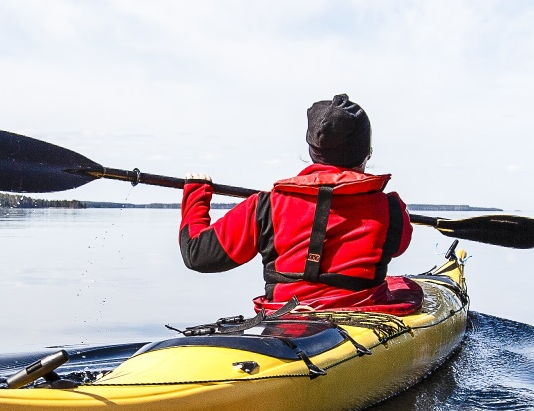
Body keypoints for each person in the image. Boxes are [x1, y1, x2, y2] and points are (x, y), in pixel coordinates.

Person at [178, 94, 426, 315]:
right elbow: (399, 247)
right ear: (364, 155)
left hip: (285, 315)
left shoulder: (266, 206)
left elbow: (197, 255)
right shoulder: (391, 209)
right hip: (362, 314)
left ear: (312, 151)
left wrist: (196, 193)